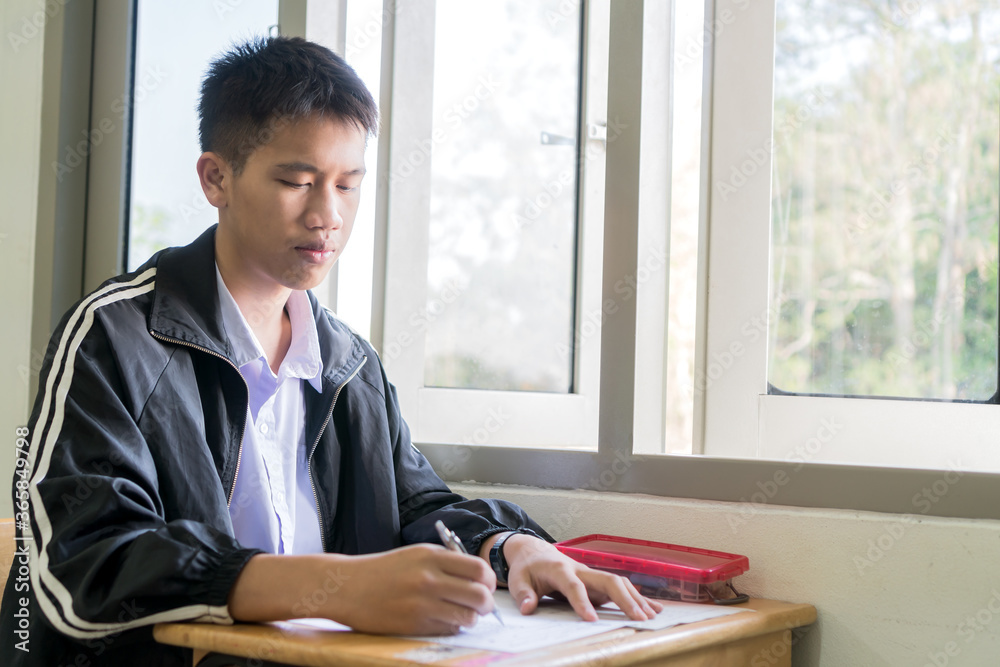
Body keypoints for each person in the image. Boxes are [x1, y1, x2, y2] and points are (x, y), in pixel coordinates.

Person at [0, 36, 660, 666]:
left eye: (347, 183)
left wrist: (510, 547)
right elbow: (80, 566)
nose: (328, 214)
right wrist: (336, 586)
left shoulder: (347, 362)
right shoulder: (114, 336)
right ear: (216, 179)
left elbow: (413, 506)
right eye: (298, 180)